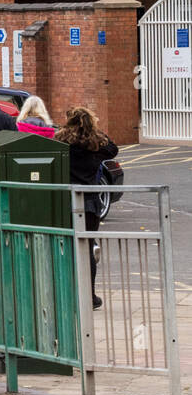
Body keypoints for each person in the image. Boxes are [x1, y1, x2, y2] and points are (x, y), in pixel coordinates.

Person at [56, 107, 118, 309]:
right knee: (88, 247)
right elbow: (113, 149)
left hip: (66, 200)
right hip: (90, 201)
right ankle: (89, 295)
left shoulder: (61, 140)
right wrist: (95, 131)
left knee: (66, 247)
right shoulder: (96, 144)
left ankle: (66, 293)